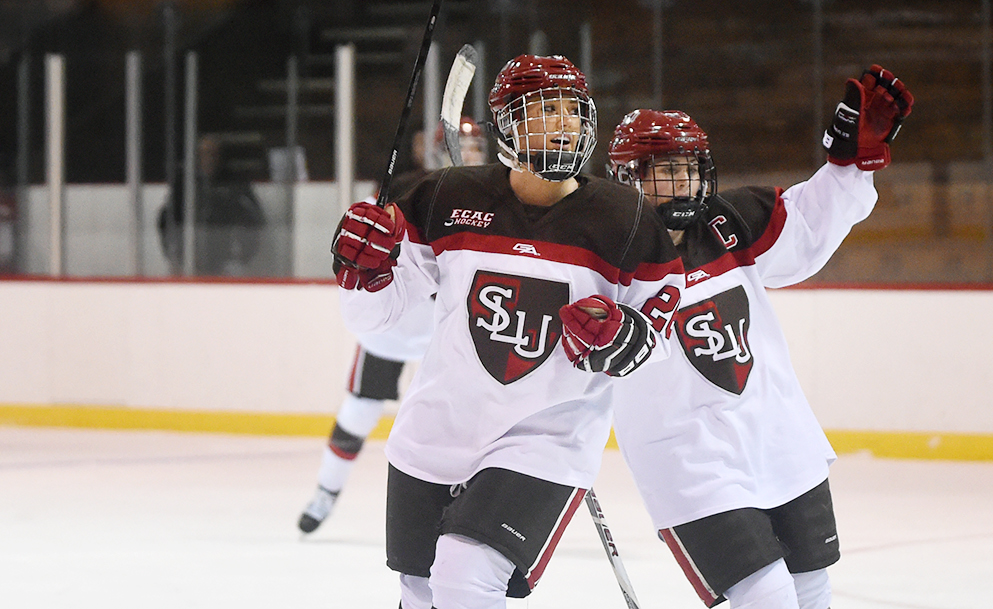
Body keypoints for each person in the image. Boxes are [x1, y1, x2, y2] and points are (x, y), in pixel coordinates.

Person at [330, 55, 683, 609]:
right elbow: (381, 323)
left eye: (574, 111)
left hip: (543, 441)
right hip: (435, 434)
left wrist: (625, 339)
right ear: (509, 124)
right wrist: (364, 277)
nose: (566, 124)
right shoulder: (446, 197)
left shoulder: (627, 219)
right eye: (547, 110)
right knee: (420, 593)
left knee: (465, 579)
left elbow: (659, 330)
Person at [605, 65, 911, 609]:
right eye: (663, 171)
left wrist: (845, 165)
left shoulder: (729, 223)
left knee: (811, 588)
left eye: (689, 168)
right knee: (765, 596)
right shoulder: (604, 253)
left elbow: (810, 222)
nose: (682, 183)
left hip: (776, 438)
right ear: (629, 177)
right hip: (687, 459)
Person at [298, 117, 488, 534]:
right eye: (463, 148)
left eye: (476, 149)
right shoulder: (408, 188)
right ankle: (326, 493)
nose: (470, 156)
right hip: (394, 322)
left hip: (443, 332)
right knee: (359, 411)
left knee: (454, 419)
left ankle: (462, 511)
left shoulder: (490, 196)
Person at [158, 135, 267, 276]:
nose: (209, 158)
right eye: (204, 154)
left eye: (213, 153)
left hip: (225, 261)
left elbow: (254, 219)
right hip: (191, 259)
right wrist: (174, 256)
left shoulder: (235, 182)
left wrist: (242, 258)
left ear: (220, 156)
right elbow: (166, 218)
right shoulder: (184, 183)